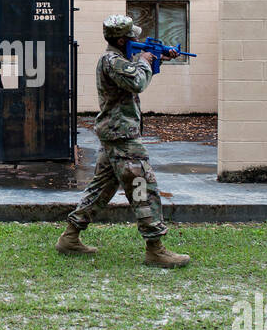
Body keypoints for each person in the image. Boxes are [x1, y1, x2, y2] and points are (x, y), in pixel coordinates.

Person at [57, 14, 190, 268]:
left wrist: (155, 58)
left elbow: (134, 78)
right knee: (144, 186)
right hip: (122, 138)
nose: (136, 39)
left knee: (101, 189)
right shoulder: (113, 61)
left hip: (115, 135)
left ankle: (70, 237)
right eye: (132, 37)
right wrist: (145, 61)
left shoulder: (119, 60)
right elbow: (137, 82)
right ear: (121, 39)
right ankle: (156, 249)